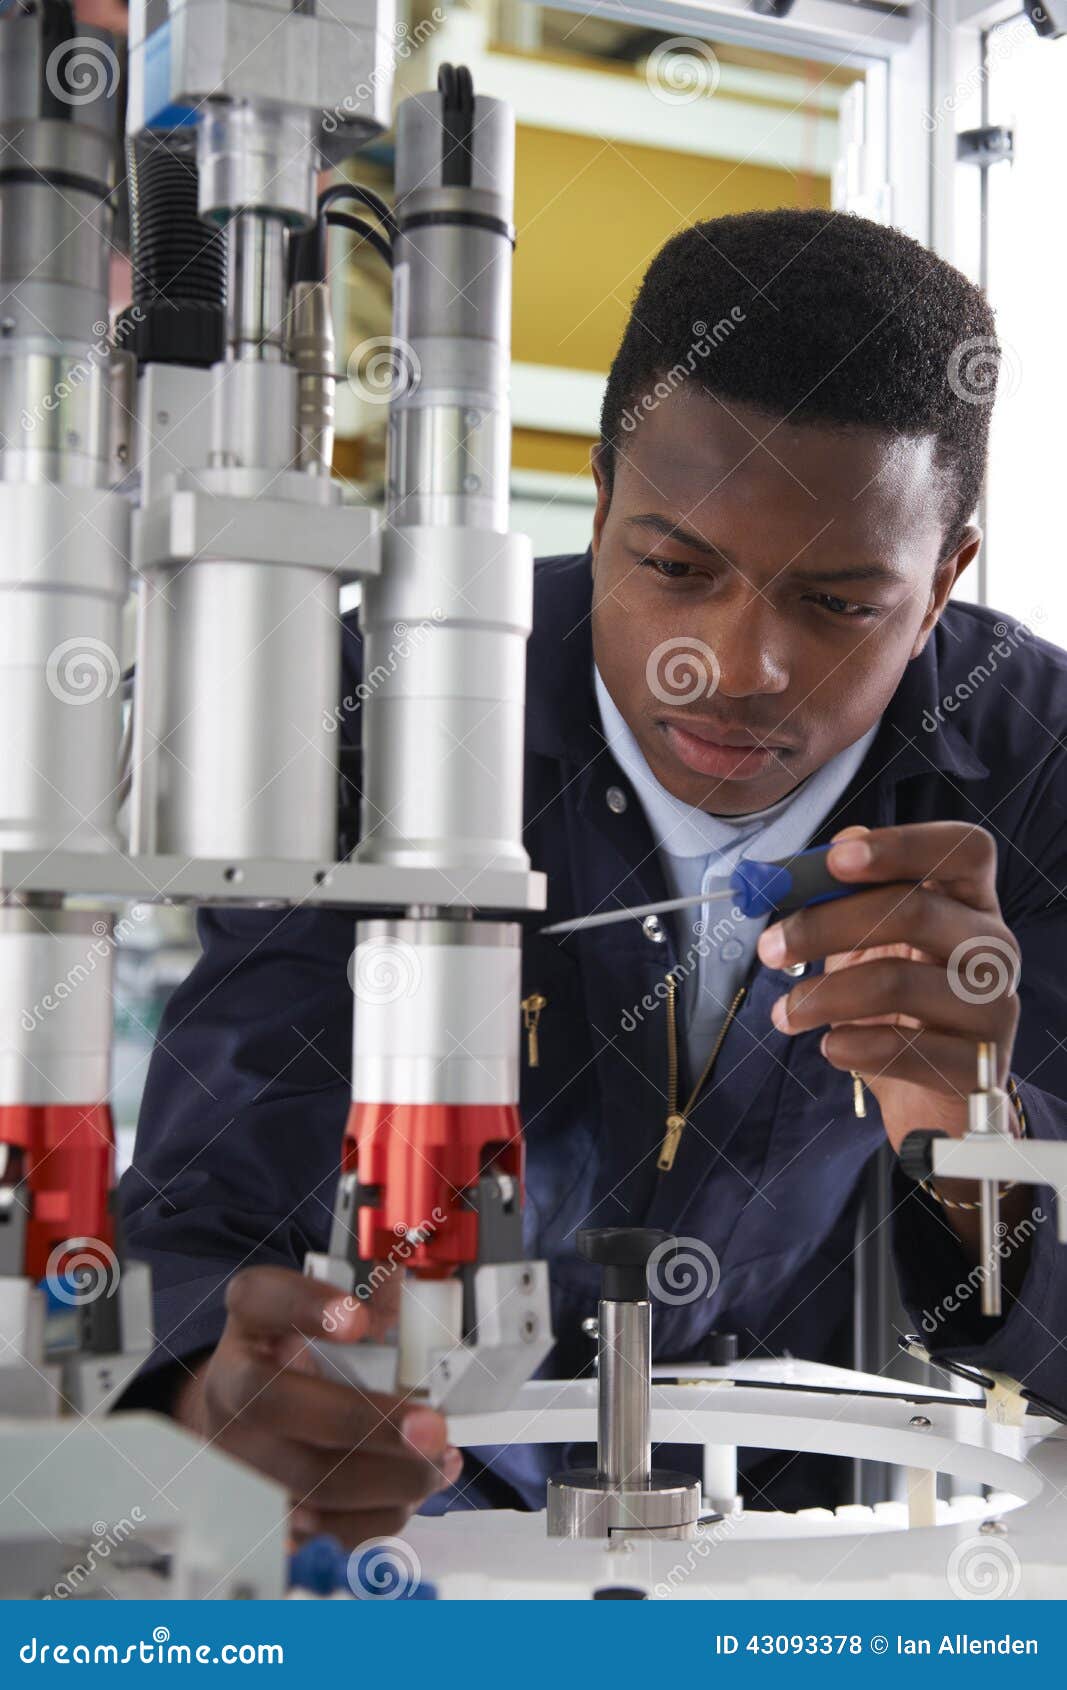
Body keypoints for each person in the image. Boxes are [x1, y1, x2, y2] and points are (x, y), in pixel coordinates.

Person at [120, 207, 1067, 1545]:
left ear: (942, 582)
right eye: (676, 566)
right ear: (603, 497)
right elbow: (211, 1201)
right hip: (419, 1503)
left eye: (841, 603)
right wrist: (204, 1400)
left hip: (784, 1530)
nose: (738, 668)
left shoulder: (1036, 764)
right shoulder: (379, 701)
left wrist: (981, 1141)